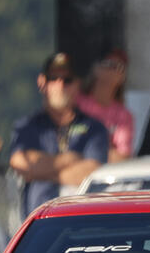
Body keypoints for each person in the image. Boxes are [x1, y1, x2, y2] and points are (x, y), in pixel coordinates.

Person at [9, 52, 110, 218]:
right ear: (42, 83)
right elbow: (20, 163)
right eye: (53, 79)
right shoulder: (27, 126)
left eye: (67, 80)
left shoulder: (94, 128)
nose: (60, 85)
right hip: (39, 226)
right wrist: (69, 159)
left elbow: (93, 173)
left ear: (78, 84)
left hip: (83, 222)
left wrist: (41, 173)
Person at [75, 48, 134, 162]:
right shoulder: (76, 102)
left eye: (121, 67)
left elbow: (123, 157)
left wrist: (88, 152)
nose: (115, 70)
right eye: (109, 64)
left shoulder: (124, 115)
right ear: (95, 68)